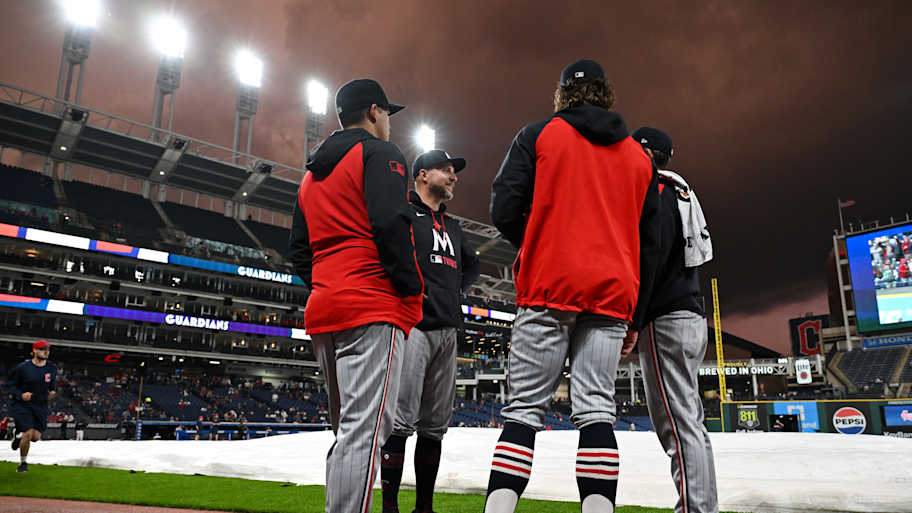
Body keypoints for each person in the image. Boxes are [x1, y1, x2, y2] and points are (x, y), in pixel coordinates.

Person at [484, 59, 661, 513]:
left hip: (549, 285)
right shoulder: (640, 157)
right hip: (612, 295)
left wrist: (540, 242)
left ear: (562, 93)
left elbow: (503, 207)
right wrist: (636, 316)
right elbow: (651, 246)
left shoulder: (538, 134)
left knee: (524, 412)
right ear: (606, 92)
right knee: (597, 411)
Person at [289, 78, 423, 513]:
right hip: (371, 304)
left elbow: (298, 250)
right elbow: (390, 223)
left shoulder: (310, 175)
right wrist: (410, 287)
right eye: (387, 114)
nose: (389, 123)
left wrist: (330, 283)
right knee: (363, 437)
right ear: (373, 112)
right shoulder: (381, 152)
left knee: (348, 434)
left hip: (326, 307)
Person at [380, 149, 480, 513]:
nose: (453, 177)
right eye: (446, 170)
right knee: (400, 422)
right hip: (413, 325)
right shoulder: (404, 213)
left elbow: (472, 266)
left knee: (435, 426)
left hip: (447, 328)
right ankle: (390, 506)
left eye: (454, 171)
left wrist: (450, 292)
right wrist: (413, 290)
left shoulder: (453, 226)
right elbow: (386, 254)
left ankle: (424, 507)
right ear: (423, 175)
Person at [628, 126, 718, 513]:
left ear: (644, 152)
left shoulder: (656, 190)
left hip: (665, 317)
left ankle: (695, 509)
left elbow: (651, 256)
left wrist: (634, 319)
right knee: (690, 424)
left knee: (678, 427)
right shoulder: (679, 189)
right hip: (689, 314)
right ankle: (704, 507)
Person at [8, 340, 58, 472]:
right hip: (23, 405)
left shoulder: (52, 368)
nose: (46, 352)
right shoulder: (22, 368)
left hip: (40, 405)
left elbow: (52, 384)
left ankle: (18, 436)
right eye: (42, 349)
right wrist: (21, 395)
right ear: (34, 350)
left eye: (47, 349)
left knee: (35, 437)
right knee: (28, 433)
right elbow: (10, 386)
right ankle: (23, 463)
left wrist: (53, 391)